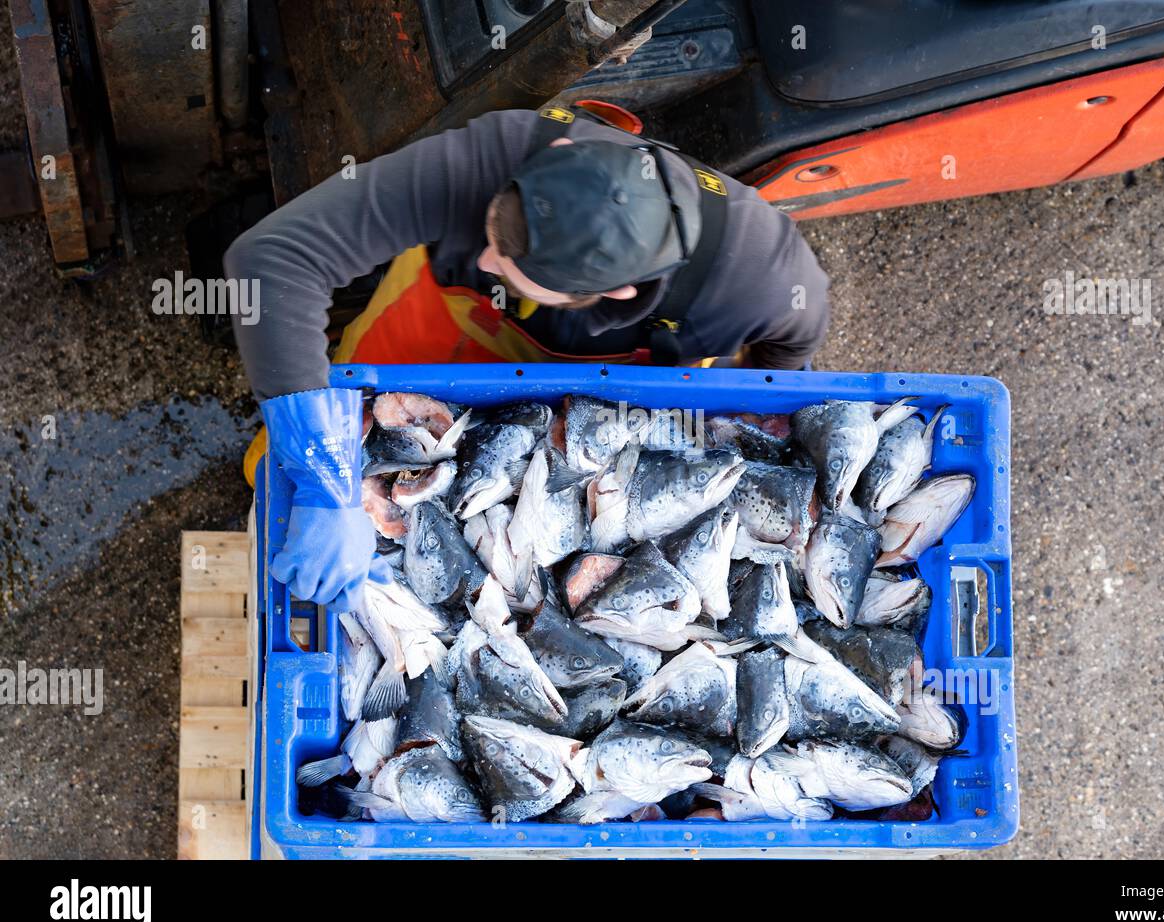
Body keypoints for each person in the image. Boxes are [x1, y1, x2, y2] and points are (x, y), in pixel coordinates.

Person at [224, 106, 830, 612]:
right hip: (437, 328)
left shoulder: (770, 279)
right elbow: (271, 259)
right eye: (490, 233)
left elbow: (781, 372)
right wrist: (324, 486)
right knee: (304, 443)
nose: (486, 262)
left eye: (509, 268)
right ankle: (268, 495)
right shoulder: (500, 150)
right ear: (560, 149)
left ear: (617, 295)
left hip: (618, 403)